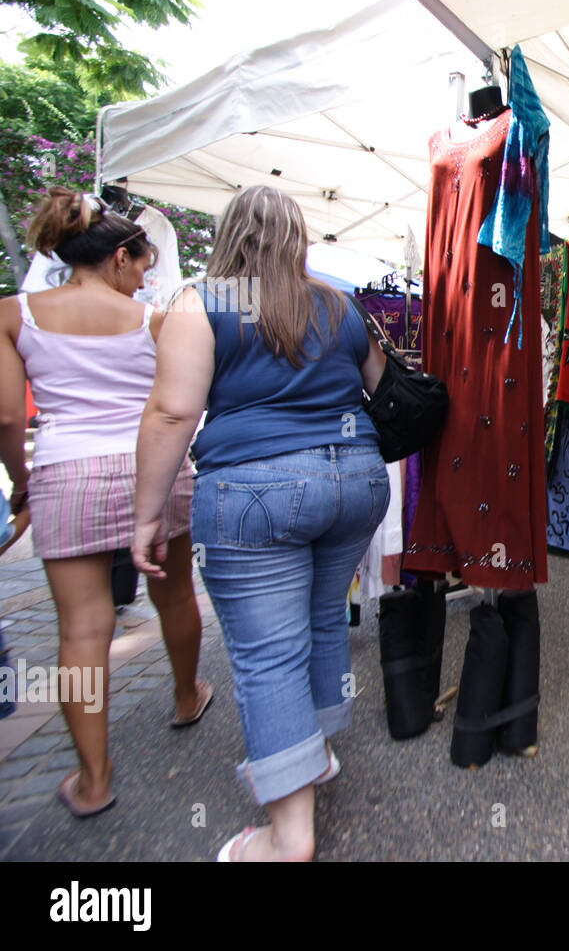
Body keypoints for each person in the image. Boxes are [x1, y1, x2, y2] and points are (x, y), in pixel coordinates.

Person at [132, 185, 389, 861]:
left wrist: (146, 514)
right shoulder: (339, 305)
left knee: (268, 652)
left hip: (256, 490)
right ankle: (316, 752)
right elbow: (378, 383)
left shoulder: (201, 302)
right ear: (297, 238)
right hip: (356, 481)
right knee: (325, 619)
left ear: (229, 236)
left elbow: (170, 414)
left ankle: (289, 836)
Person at [0, 187, 209, 818]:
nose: (146, 278)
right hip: (154, 467)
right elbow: (175, 405)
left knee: (83, 630)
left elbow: (11, 416)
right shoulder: (154, 322)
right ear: (119, 257)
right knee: (173, 594)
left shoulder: (15, 315)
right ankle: (184, 695)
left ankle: (94, 779)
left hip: (65, 473)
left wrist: (22, 486)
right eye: (142, 265)